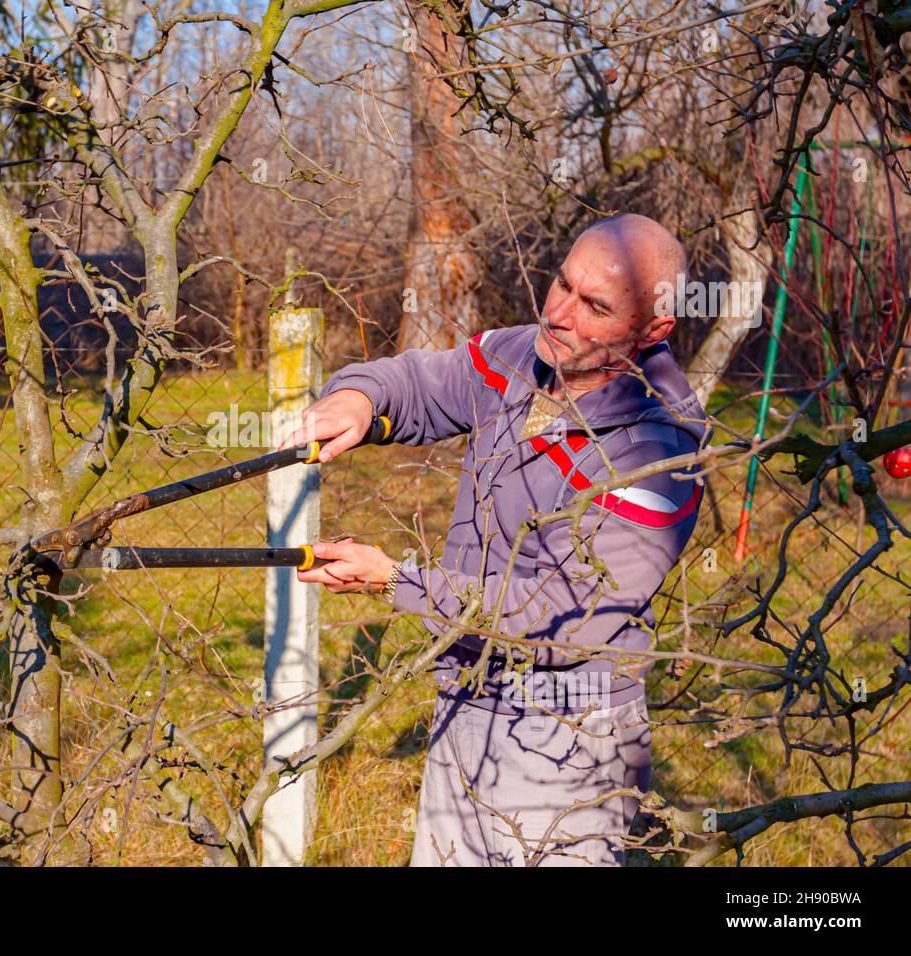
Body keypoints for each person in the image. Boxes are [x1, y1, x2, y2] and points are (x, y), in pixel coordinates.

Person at [280, 213, 709, 866]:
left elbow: (568, 618)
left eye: (593, 305)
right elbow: (422, 384)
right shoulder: (522, 357)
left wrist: (397, 581)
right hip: (466, 692)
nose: (558, 313)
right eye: (561, 283)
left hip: (566, 735)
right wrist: (359, 401)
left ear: (653, 330)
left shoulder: (658, 450)